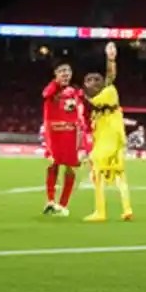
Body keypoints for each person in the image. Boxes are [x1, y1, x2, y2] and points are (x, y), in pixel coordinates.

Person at [82, 42, 133, 222]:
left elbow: (110, 76)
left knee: (96, 171)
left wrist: (111, 60)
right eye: (89, 80)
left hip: (109, 140)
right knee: (119, 174)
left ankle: (100, 212)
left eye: (96, 80)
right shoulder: (103, 99)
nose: (93, 83)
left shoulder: (108, 91)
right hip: (116, 140)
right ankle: (127, 209)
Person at [41, 61, 84, 217]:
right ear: (56, 75)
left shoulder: (74, 92)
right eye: (62, 72)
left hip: (70, 134)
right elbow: (45, 95)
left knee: (70, 167)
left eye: (68, 72)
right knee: (53, 164)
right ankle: (50, 200)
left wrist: (82, 138)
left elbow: (78, 114)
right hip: (54, 134)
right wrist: (56, 84)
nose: (66, 74)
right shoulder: (51, 89)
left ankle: (63, 204)